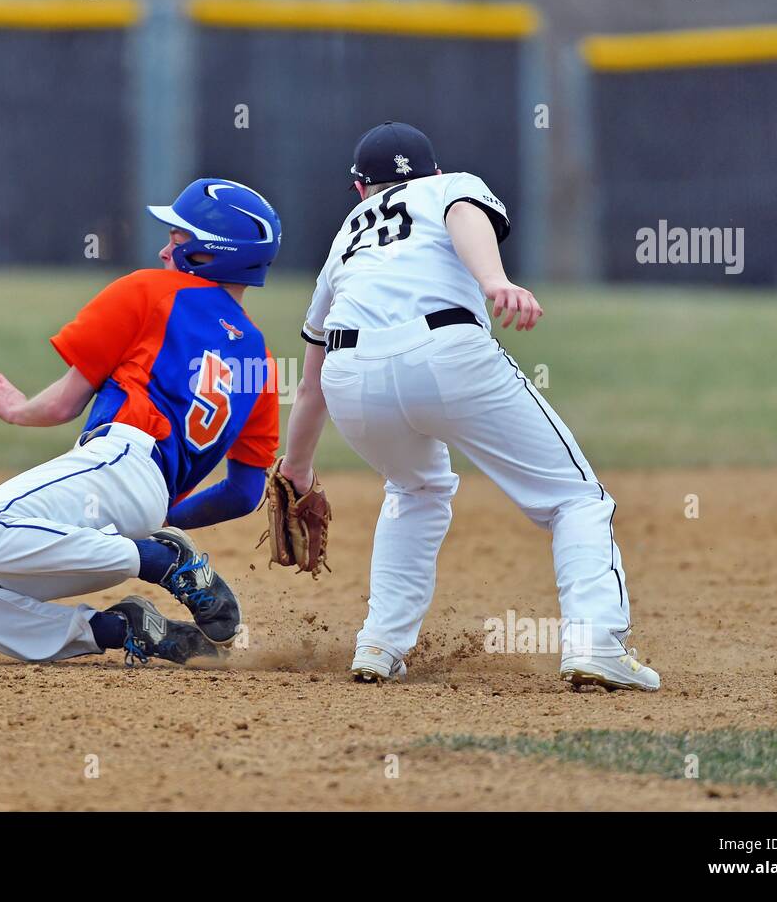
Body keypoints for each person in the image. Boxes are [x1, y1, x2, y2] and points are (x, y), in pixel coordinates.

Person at [278, 121, 659, 690]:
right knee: (575, 499)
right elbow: (462, 211)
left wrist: (296, 470)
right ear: (432, 171)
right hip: (446, 352)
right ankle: (596, 644)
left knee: (415, 491)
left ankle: (379, 645)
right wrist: (495, 280)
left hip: (350, 375)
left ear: (360, 189)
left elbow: (309, 385)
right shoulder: (447, 186)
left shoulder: (344, 240)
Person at [0, 179, 282, 667]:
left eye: (177, 240)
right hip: (135, 504)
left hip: (120, 460)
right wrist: (163, 520)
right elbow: (243, 494)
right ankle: (119, 628)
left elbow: (65, 403)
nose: (164, 249)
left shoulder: (151, 290)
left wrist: (18, 409)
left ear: (210, 254)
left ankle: (162, 563)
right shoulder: (261, 361)